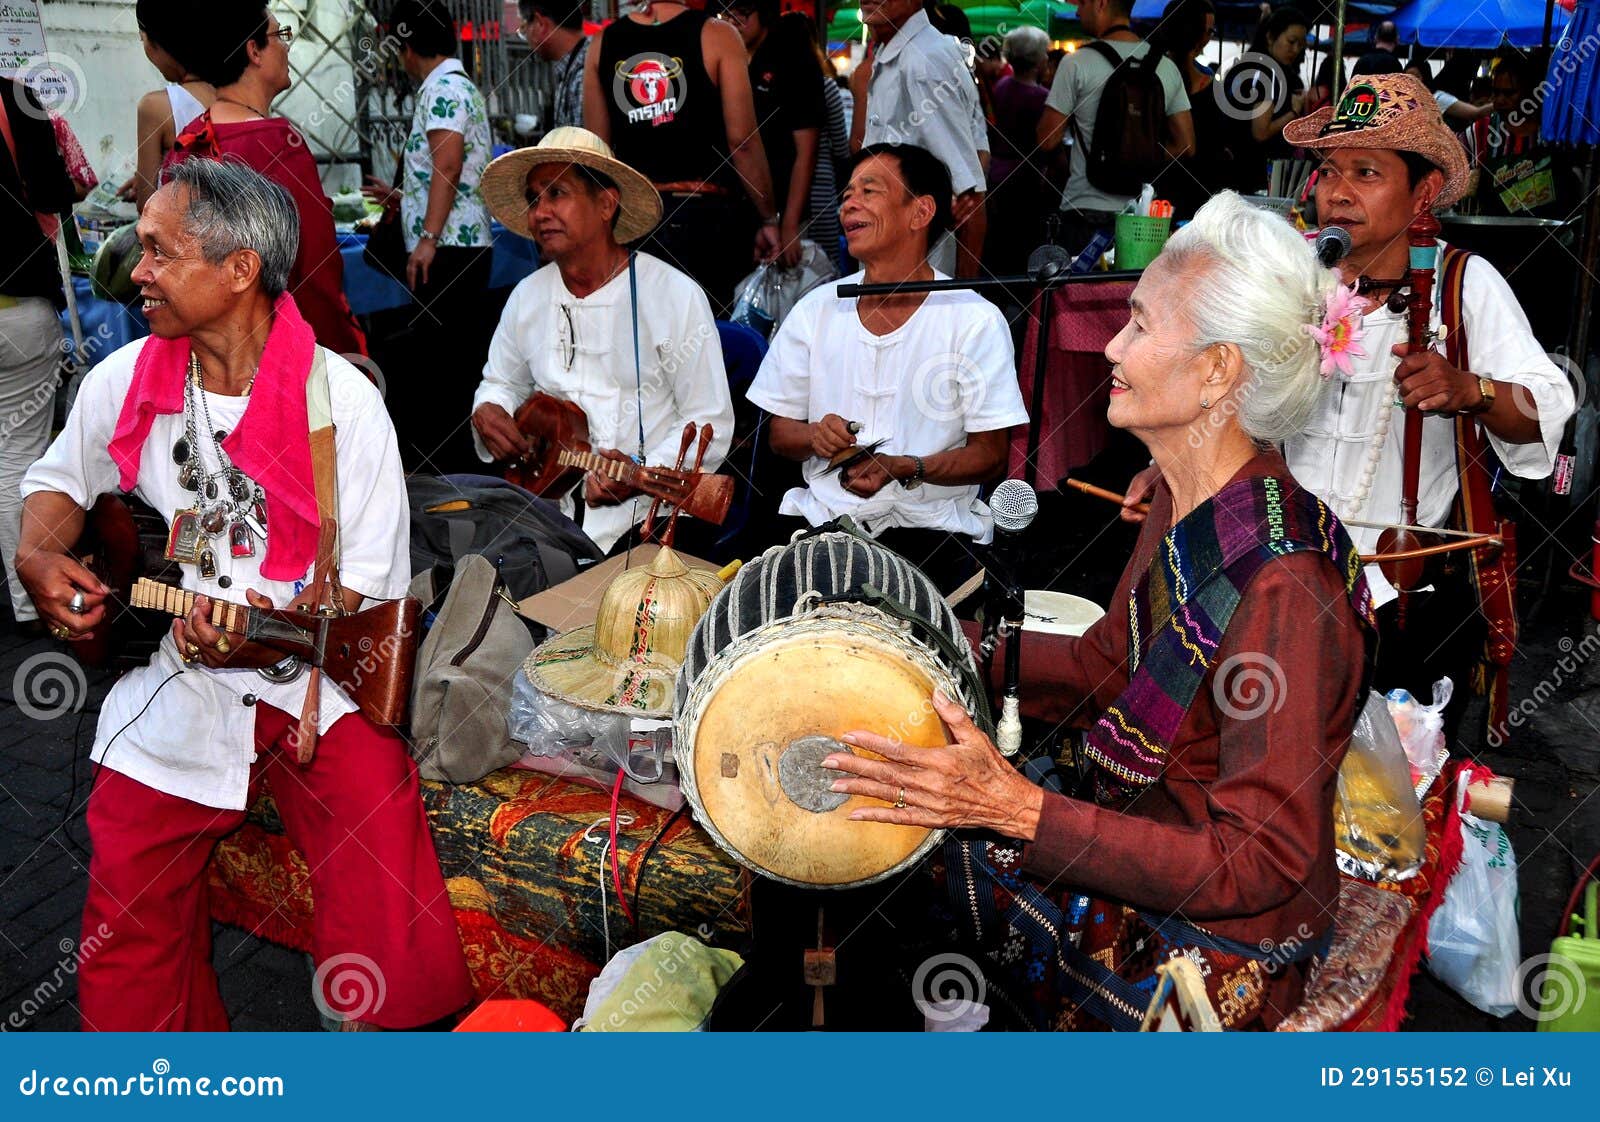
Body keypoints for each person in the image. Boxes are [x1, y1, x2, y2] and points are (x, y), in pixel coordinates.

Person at [826, 192, 1378, 1030]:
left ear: (1218, 371)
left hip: (1219, 951)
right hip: (1144, 832)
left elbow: (1263, 861)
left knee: (906, 872)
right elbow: (1100, 670)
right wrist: (916, 639)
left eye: (1140, 326)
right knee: (882, 833)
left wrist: (1014, 809)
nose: (1113, 347)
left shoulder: (1285, 590)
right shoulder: (1185, 498)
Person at [16, 159, 471, 1031]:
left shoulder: (342, 405)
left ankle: (389, 1053)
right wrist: (40, 560)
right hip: (185, 681)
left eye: (158, 251)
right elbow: (54, 482)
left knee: (378, 835)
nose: (135, 271)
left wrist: (257, 640)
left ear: (239, 270)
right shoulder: (130, 377)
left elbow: (362, 611)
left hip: (311, 684)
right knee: (126, 880)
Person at [1129, 74, 1576, 736]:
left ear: (1423, 191)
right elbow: (1226, 389)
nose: (1337, 192)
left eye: (1366, 172)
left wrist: (1470, 390)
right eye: (1330, 171)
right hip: (1263, 576)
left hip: (1398, 598)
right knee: (1249, 754)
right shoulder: (1294, 278)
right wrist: (1174, 468)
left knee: (1382, 801)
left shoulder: (1463, 284)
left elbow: (1546, 408)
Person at [746, 144, 1028, 596]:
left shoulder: (974, 318)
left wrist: (906, 466)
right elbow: (780, 435)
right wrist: (816, 434)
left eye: (869, 190)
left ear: (920, 212)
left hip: (935, 532)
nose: (848, 203)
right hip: (825, 525)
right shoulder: (816, 309)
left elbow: (992, 454)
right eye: (846, 194)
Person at [469, 129, 734, 556]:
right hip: (544, 515)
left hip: (650, 518)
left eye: (558, 193)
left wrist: (639, 471)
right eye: (535, 198)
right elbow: (500, 381)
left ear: (606, 204)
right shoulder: (527, 297)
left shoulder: (672, 295)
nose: (541, 212)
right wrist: (488, 410)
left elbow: (709, 422)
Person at [167, 2, 366, 357]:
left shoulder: (188, 139)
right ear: (253, 50)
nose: (286, 47)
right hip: (274, 349)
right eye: (279, 36)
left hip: (207, 351)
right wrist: (342, 351)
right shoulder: (279, 144)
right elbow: (316, 269)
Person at [360, 0, 494, 472]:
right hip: (457, 245)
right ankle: (451, 463)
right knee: (448, 357)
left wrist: (428, 238)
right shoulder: (452, 86)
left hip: (452, 248)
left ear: (407, 44)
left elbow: (449, 164)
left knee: (443, 363)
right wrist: (402, 195)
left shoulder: (445, 91)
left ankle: (449, 467)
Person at [584, 0, 779, 315]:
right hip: (704, 223)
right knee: (704, 342)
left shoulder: (601, 44)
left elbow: (597, 154)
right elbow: (743, 142)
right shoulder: (719, 35)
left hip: (632, 223)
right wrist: (769, 217)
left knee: (641, 343)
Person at [0, 78, 75, 637]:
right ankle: (31, 602)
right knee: (17, 456)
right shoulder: (14, 99)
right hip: (17, 304)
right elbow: (56, 191)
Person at [1036, 0, 1194, 253]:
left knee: (1077, 293)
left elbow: (1047, 139)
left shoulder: (1076, 62)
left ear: (1101, 4)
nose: (1077, 11)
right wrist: (1143, 156)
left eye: (1082, 3)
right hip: (1141, 220)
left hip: (1083, 210)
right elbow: (1186, 145)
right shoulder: (1166, 66)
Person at [854, 0, 990, 277]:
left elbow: (971, 197)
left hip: (918, 282)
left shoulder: (924, 60)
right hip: (891, 273)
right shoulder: (894, 53)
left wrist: (963, 296)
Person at [719, 0, 824, 269]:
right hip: (735, 211)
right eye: (725, 14)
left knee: (784, 297)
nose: (732, 22)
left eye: (741, 13)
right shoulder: (727, 60)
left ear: (763, 14)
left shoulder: (794, 59)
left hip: (785, 206)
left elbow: (807, 152)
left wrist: (788, 223)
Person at [124, 0, 215, 210]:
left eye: (142, 39)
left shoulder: (155, 107)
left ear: (155, 42)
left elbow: (146, 204)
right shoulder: (231, 93)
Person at [1150, 0, 1237, 217]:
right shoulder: (1206, 83)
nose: (1208, 38)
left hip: (1168, 191)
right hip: (1190, 194)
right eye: (1205, 31)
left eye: (1211, 31)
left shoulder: (1153, 73)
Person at [983, 25, 1055, 275]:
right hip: (1027, 181)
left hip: (996, 175)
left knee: (999, 244)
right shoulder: (1042, 97)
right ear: (1037, 61)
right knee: (1023, 246)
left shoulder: (1000, 87)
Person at [1223, 4, 1309, 192]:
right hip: (1250, 173)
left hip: (1238, 170)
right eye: (1291, 41)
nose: (1295, 50)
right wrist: (1293, 112)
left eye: (1301, 44)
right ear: (1270, 37)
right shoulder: (1265, 72)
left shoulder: (1252, 64)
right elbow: (1260, 132)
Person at [790, 14, 850, 271]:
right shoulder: (826, 86)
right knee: (825, 268)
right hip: (822, 190)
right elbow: (841, 147)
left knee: (790, 268)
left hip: (785, 191)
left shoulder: (773, 88)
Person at [517, 0, 590, 130]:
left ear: (541, 24)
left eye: (524, 28)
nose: (526, 37)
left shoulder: (583, 77)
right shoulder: (574, 69)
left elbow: (584, 149)